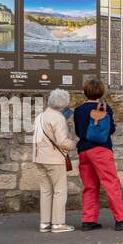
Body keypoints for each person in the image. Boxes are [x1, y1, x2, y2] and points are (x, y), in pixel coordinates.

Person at [73, 79, 123, 231]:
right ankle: (121, 219)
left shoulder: (78, 110)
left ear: (85, 92)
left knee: (90, 186)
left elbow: (78, 131)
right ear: (101, 92)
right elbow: (110, 130)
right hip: (101, 150)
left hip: (84, 150)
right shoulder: (104, 108)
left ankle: (88, 220)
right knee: (111, 183)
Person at [32, 88, 76, 233]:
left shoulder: (40, 116)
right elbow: (62, 141)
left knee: (45, 191)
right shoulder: (58, 118)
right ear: (64, 104)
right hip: (54, 159)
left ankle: (45, 223)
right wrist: (73, 144)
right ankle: (58, 224)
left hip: (39, 157)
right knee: (59, 190)